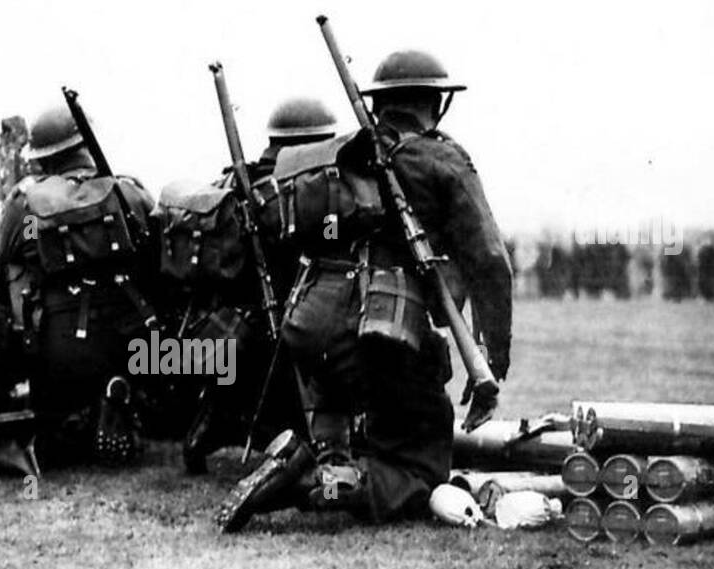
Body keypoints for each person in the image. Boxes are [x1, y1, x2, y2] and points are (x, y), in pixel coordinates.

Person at [218, 49, 513, 532]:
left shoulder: (331, 158)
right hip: (381, 328)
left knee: (357, 419)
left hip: (308, 320)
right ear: (435, 102)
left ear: (379, 104)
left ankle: (317, 457)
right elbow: (490, 262)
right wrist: (492, 359)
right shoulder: (440, 159)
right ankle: (310, 480)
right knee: (422, 468)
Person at [0, 104, 159, 466]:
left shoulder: (25, 205)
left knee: (54, 431)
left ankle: (83, 418)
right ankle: (121, 400)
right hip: (136, 339)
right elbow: (158, 265)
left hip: (62, 348)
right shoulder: (128, 191)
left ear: (42, 158)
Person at [180, 97, 338, 473]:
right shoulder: (305, 187)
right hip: (285, 324)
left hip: (230, 330)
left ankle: (212, 426)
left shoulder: (237, 181)